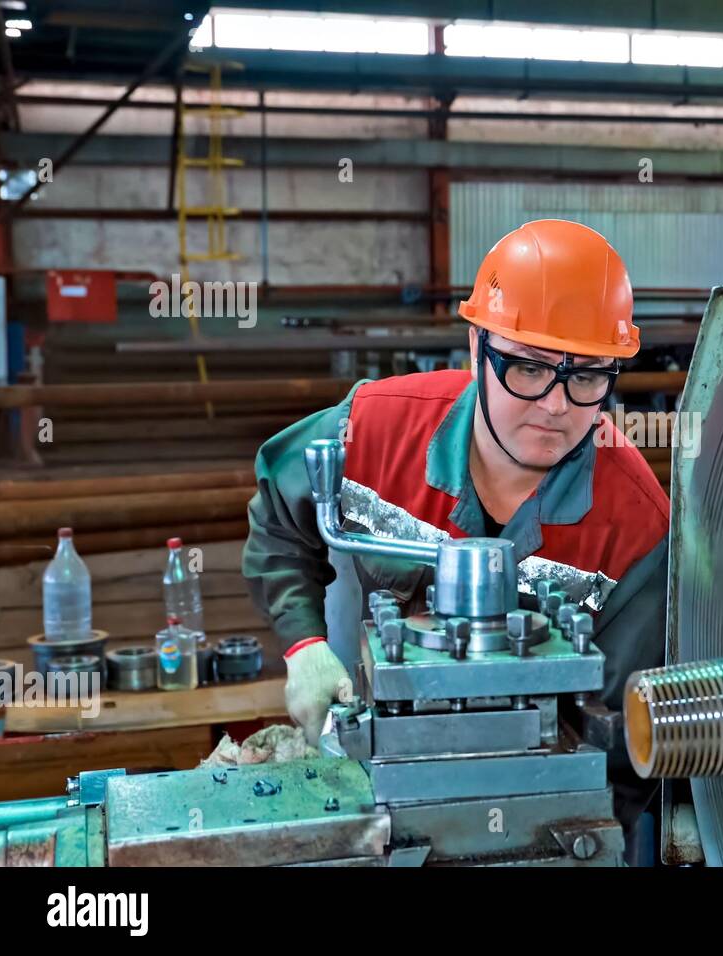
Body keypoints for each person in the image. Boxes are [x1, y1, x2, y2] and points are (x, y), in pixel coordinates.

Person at [241, 219, 669, 834]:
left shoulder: (634, 530)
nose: (556, 404)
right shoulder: (377, 430)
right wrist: (304, 645)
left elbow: (624, 743)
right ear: (477, 350)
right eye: (529, 366)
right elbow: (278, 518)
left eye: (587, 375)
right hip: (380, 777)